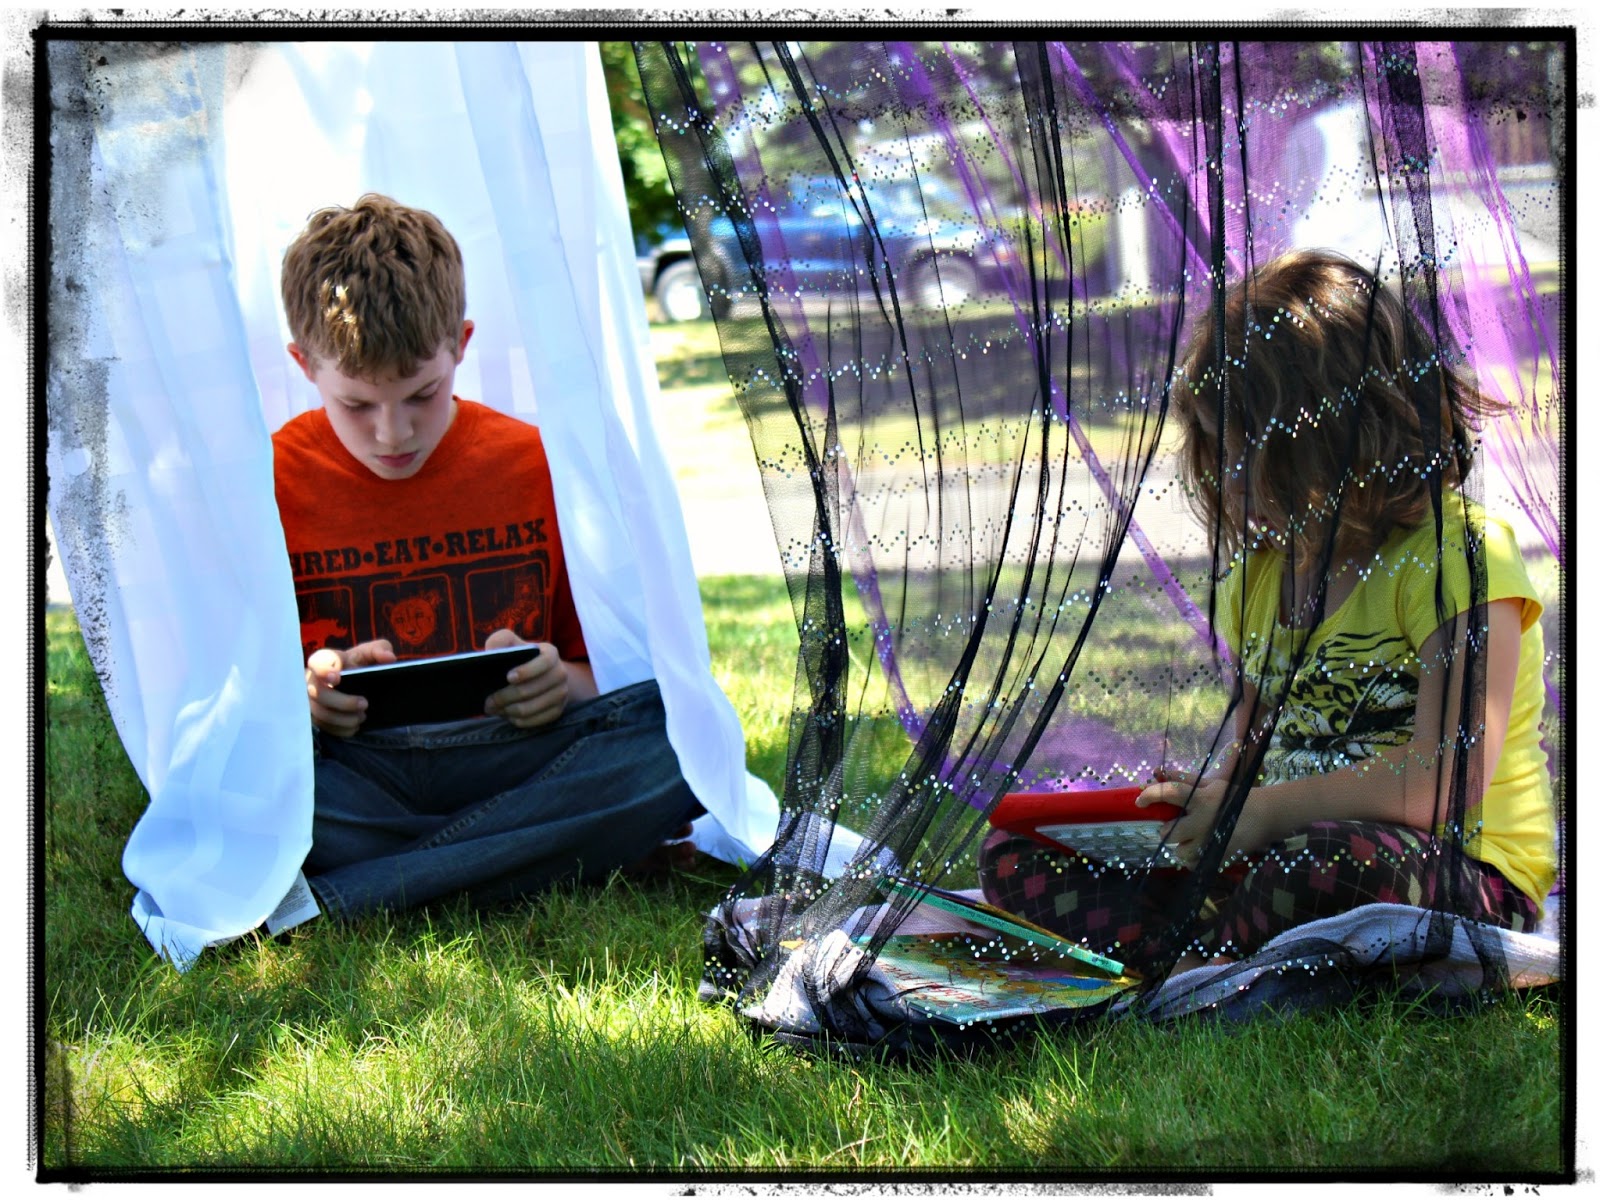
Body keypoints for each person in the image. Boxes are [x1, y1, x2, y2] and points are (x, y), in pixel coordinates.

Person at [979, 249, 1556, 978]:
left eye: (1246, 448)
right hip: (1272, 853)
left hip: (1454, 874)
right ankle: (1203, 955)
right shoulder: (1257, 578)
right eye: (1214, 446)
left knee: (1315, 869)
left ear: (1346, 433)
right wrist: (1209, 803)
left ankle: (1183, 965)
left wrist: (1259, 814)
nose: (1223, 473)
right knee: (1016, 852)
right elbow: (1256, 749)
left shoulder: (1457, 556)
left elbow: (1444, 781)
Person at [272, 193, 700, 918]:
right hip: (361, 778)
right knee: (247, 789)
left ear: (462, 343)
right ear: (303, 364)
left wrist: (560, 683)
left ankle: (364, 891)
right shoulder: (269, 479)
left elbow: (610, 673)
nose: (391, 434)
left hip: (512, 759)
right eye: (358, 406)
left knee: (677, 735)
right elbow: (241, 709)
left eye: (422, 394)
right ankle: (544, 856)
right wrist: (308, 702)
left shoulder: (536, 463)